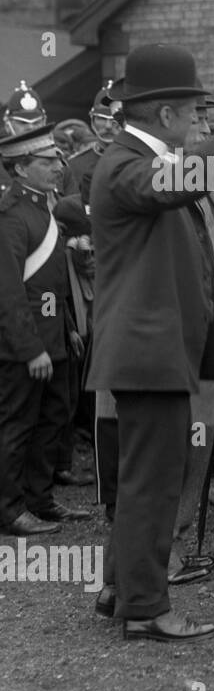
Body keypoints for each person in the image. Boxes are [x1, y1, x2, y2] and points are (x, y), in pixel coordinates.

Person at [88, 42, 214, 641]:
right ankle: (146, 609)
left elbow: (177, 258)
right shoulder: (131, 164)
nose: (196, 122)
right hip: (148, 355)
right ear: (164, 115)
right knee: (152, 483)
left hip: (155, 348)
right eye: (191, 111)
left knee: (144, 480)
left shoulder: (140, 163)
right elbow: (177, 182)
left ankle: (119, 589)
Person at [0, 124, 92, 538]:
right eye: (47, 161)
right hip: (25, 348)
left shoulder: (42, 209)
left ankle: (38, 499)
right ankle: (8, 509)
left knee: (53, 419)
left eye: (56, 158)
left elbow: (53, 283)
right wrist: (31, 349)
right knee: (17, 426)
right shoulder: (12, 216)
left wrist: (68, 328)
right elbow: (9, 293)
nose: (58, 166)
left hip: (53, 339)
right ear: (21, 167)